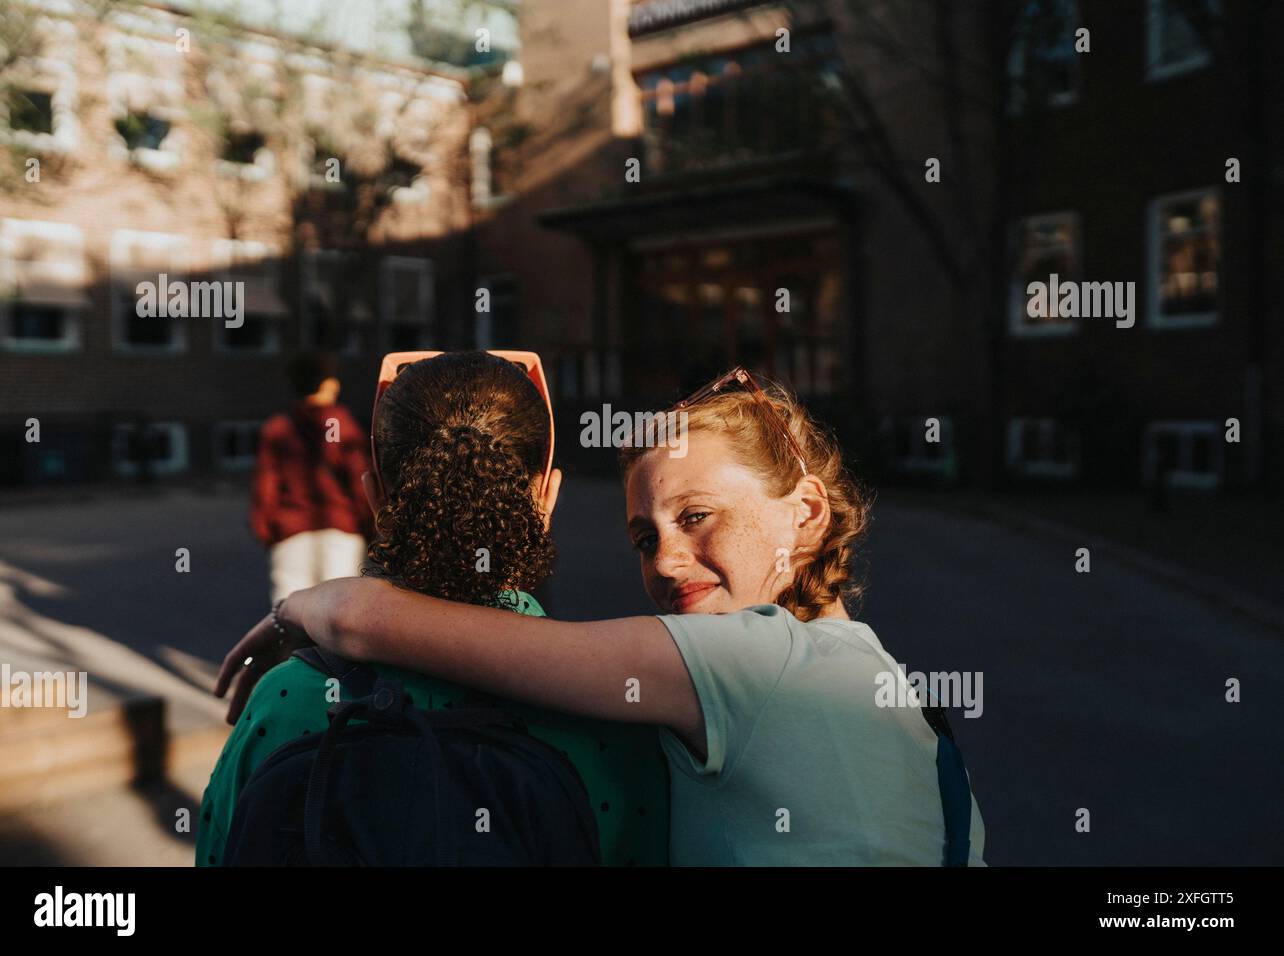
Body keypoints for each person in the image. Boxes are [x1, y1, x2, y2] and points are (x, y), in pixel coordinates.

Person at [219, 366, 986, 867]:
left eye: (698, 516)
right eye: (644, 538)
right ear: (544, 497)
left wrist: (308, 607)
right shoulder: (889, 694)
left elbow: (368, 621)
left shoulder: (751, 661)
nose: (665, 561)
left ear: (807, 511)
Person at [198, 351, 669, 866]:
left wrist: (290, 604)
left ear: (377, 498)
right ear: (547, 497)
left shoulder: (282, 703)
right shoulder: (618, 715)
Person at [250, 352, 374, 602]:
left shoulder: (278, 427)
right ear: (327, 383)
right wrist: (371, 523)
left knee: (289, 607)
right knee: (338, 607)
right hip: (340, 528)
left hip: (291, 529)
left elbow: (266, 483)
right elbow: (359, 479)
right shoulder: (340, 424)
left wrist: (265, 526)